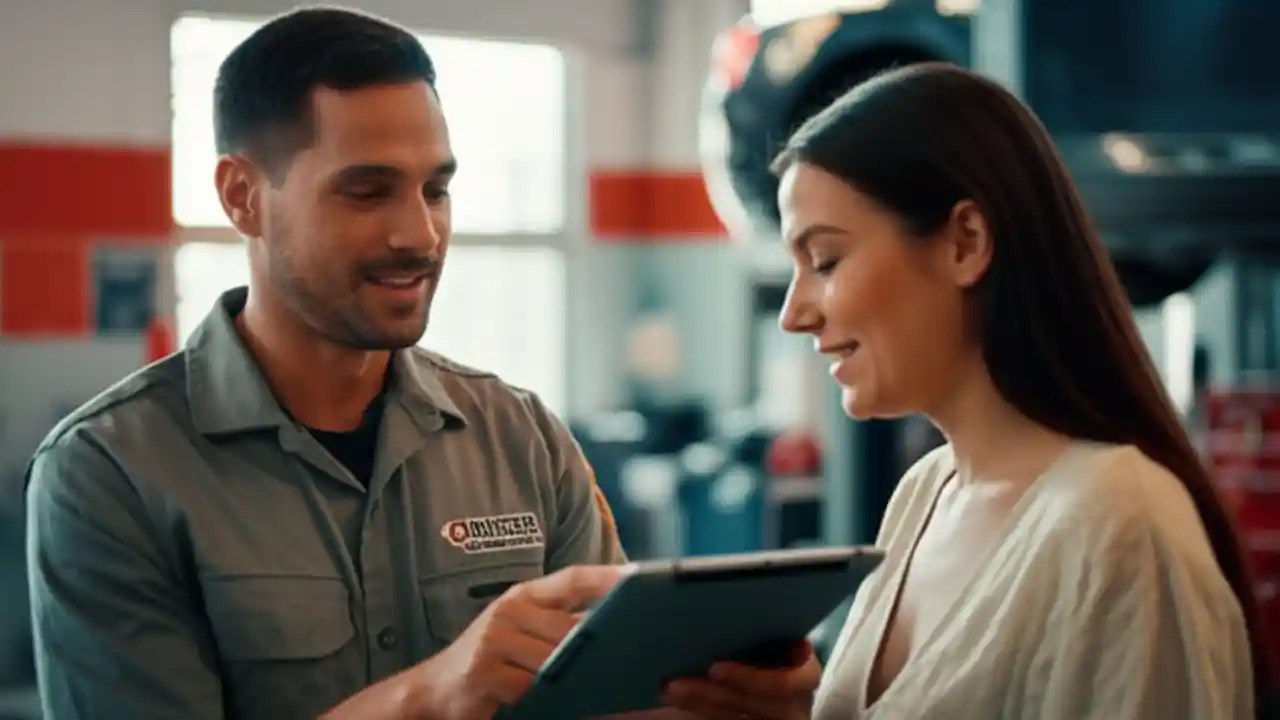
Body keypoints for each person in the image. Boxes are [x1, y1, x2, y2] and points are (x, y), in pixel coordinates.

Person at [23, 7, 816, 720]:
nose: (420, 235)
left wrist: (727, 702)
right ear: (242, 197)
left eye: (435, 190)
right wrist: (429, 695)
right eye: (367, 193)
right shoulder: (110, 474)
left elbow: (611, 701)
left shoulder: (521, 439)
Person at [759, 62, 1266, 718]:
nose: (794, 312)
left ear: (966, 242)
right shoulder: (926, 493)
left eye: (825, 261)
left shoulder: (1118, 523)